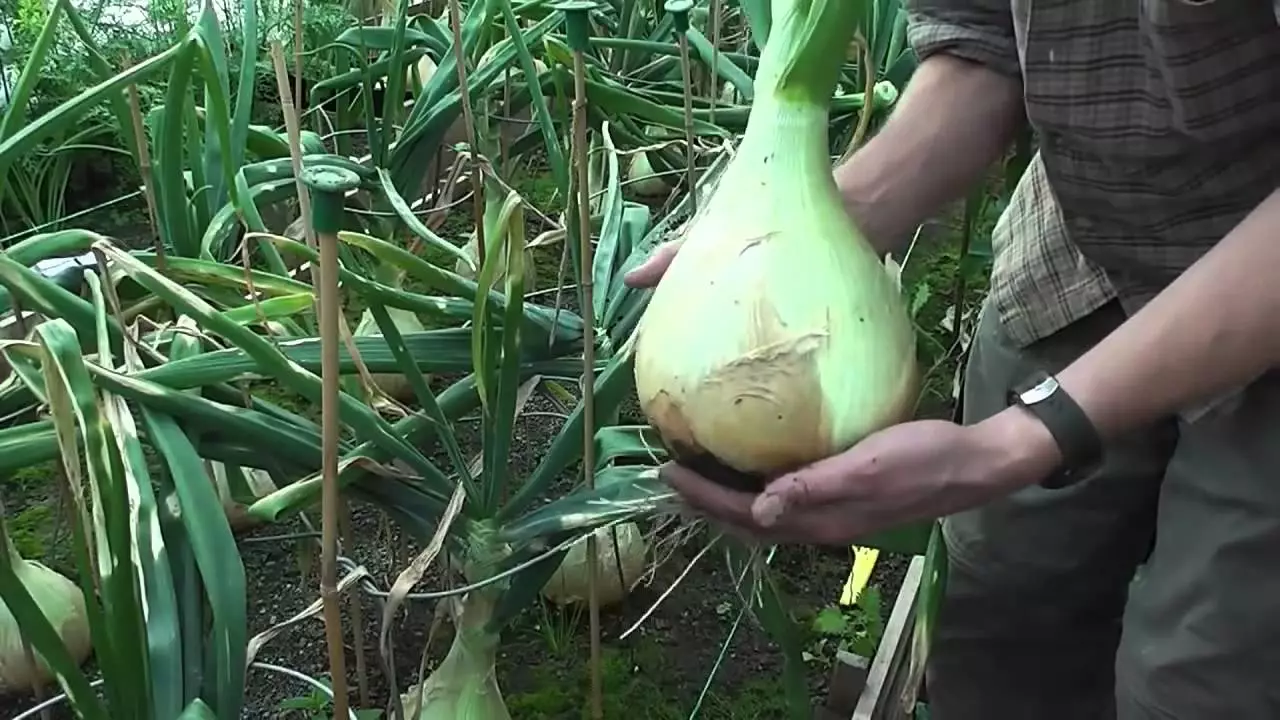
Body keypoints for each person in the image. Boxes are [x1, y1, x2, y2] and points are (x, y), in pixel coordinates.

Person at [622, 2, 1280, 718]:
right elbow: (982, 40)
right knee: (1001, 621)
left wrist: (1016, 440)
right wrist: (797, 229)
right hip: (1075, 260)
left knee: (1203, 681)